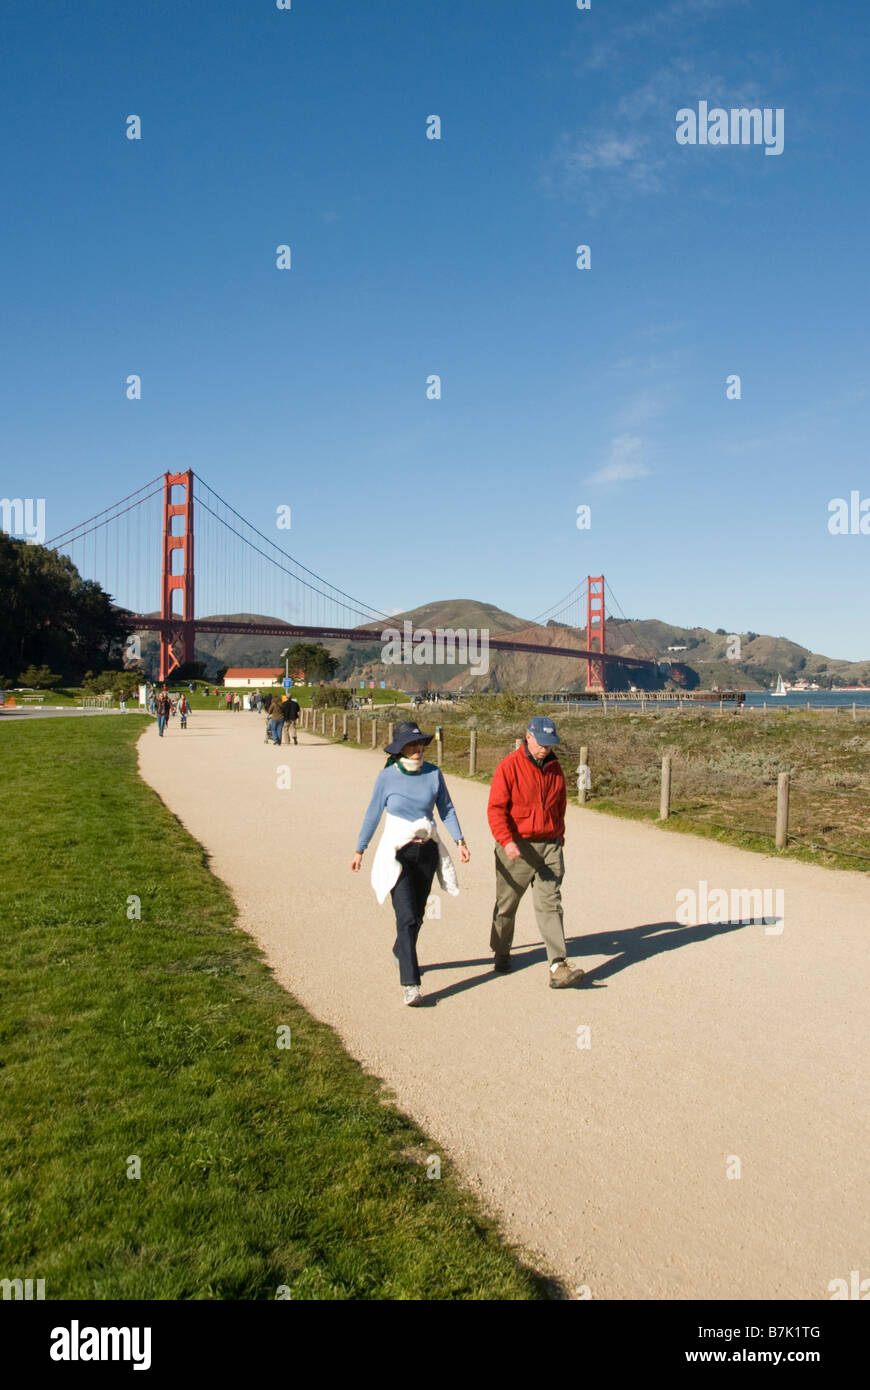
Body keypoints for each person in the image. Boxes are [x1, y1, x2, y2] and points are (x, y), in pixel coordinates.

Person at [351, 721, 470, 1006]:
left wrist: (459, 841)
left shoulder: (433, 774)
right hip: (397, 854)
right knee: (405, 916)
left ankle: (400, 950)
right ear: (399, 749)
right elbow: (372, 814)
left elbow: (446, 808)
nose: (418, 749)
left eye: (420, 744)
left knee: (416, 916)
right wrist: (360, 849)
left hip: (426, 852)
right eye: (411, 744)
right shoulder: (386, 778)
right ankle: (411, 985)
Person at [487, 716, 584, 989]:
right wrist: (506, 841)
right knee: (506, 905)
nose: (546, 749)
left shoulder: (555, 768)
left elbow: (560, 804)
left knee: (551, 904)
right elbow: (495, 809)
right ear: (528, 737)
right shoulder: (508, 767)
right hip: (516, 846)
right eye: (542, 743)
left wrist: (559, 834)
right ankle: (502, 951)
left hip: (550, 846)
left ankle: (558, 965)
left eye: (550, 744)